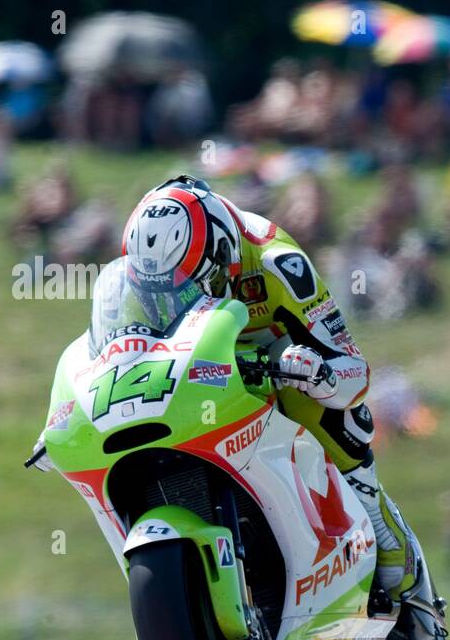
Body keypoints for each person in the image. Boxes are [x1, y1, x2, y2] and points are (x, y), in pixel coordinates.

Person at [32, 175, 419, 603]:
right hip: (201, 371)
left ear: (224, 254)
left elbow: (354, 370)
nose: (178, 298)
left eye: (194, 284)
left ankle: (389, 552)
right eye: (164, 289)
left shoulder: (278, 262)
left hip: (281, 360)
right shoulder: (147, 275)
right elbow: (122, 351)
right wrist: (74, 414)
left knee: (334, 422)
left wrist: (320, 374)